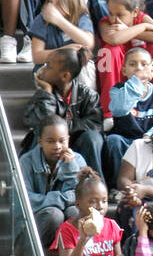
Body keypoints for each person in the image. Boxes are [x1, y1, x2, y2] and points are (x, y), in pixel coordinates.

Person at [4, 117, 87, 256]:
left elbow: (81, 197)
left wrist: (70, 168)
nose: (57, 146)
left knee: (74, 213)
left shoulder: (77, 160)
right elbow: (24, 199)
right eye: (50, 141)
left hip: (63, 220)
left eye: (62, 141)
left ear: (68, 140)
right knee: (53, 214)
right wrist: (59, 199)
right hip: (37, 221)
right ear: (40, 142)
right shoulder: (26, 162)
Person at [53, 167, 131, 256]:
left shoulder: (112, 225)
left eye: (104, 201)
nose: (100, 206)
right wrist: (83, 239)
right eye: (93, 202)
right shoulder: (67, 229)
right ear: (78, 204)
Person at [21, 44, 105, 175]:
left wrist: (62, 128)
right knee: (40, 136)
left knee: (93, 138)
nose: (43, 70)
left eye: (48, 66)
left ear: (65, 76)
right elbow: (34, 122)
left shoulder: (88, 95)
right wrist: (47, 93)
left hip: (77, 144)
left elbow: (95, 125)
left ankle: (94, 183)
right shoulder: (43, 95)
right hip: (51, 146)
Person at [99, 45, 153, 188]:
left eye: (144, 65)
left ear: (152, 72)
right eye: (132, 64)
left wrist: (149, 137)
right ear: (124, 70)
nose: (138, 68)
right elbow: (120, 109)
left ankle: (147, 184)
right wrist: (136, 82)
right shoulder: (117, 90)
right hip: (125, 140)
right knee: (113, 141)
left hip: (148, 141)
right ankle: (117, 186)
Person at [95, 0, 153, 102]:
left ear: (134, 12)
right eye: (110, 13)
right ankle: (109, 110)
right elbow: (114, 39)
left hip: (143, 69)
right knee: (109, 51)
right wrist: (143, 27)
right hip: (120, 72)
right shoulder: (105, 23)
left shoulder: (142, 18)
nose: (114, 19)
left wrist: (129, 30)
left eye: (120, 15)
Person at [27, 0, 95, 68]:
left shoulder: (81, 17)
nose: (52, 7)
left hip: (75, 68)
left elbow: (88, 43)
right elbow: (37, 56)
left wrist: (60, 21)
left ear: (70, 4)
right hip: (50, 68)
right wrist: (64, 51)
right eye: (50, 1)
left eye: (58, 3)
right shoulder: (43, 18)